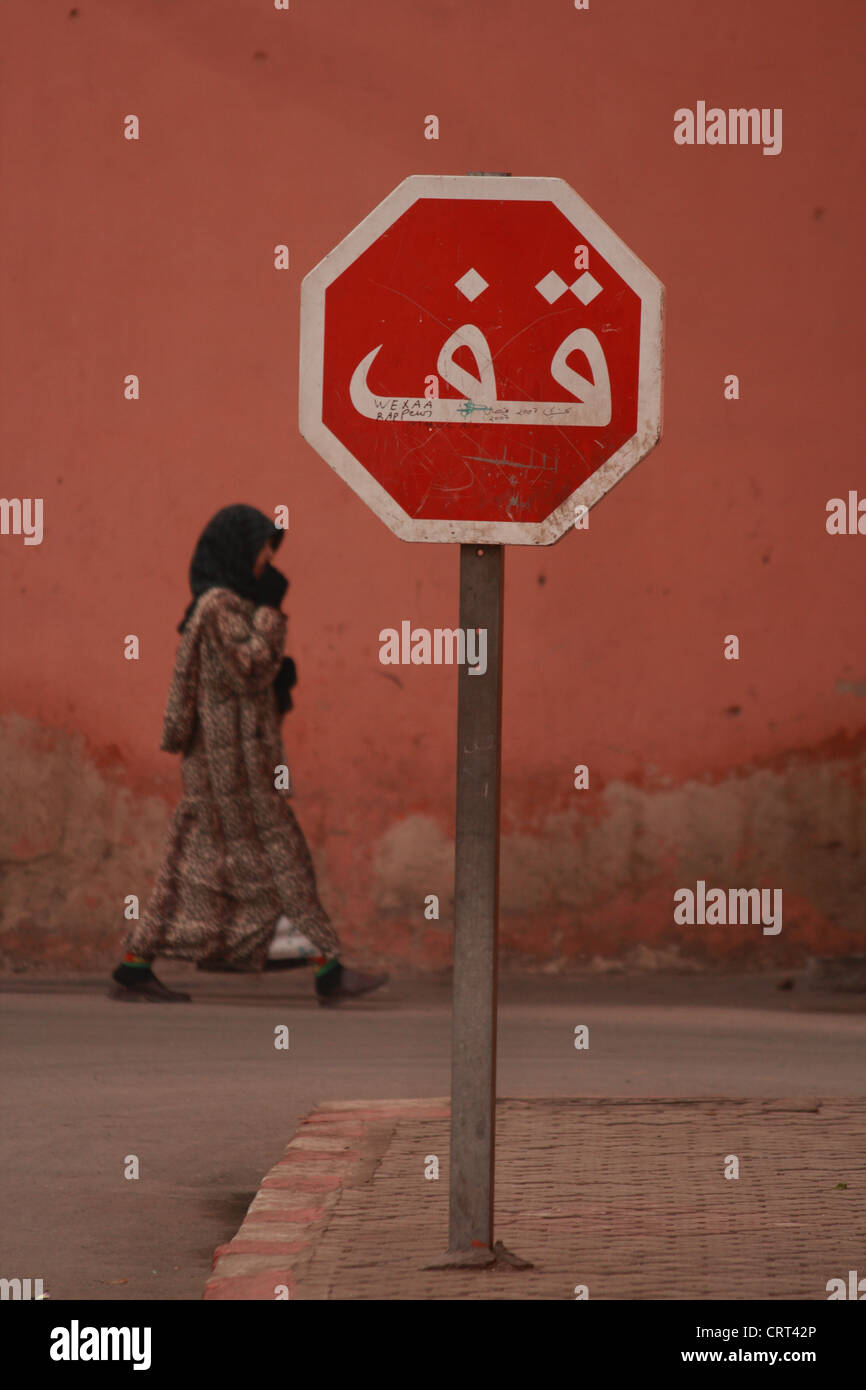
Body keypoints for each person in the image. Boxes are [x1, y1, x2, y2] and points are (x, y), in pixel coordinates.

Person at [109, 503, 388, 1006]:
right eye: (262, 547)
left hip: (237, 765)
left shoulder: (227, 604)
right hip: (229, 768)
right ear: (237, 548)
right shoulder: (219, 607)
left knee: (197, 869)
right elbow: (251, 667)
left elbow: (248, 683)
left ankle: (136, 965)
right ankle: (327, 968)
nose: (267, 559)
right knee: (284, 858)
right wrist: (273, 614)